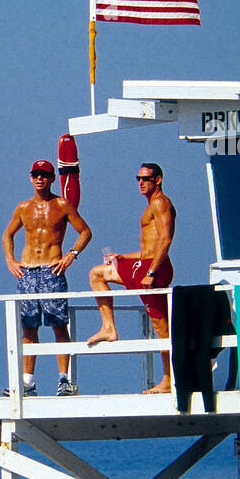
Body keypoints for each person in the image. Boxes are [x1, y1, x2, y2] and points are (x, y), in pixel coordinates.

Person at [3, 159, 92, 396]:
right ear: (31, 178)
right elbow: (8, 234)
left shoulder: (62, 205)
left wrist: (71, 255)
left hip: (52, 271)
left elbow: (85, 231)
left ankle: (64, 379)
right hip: (28, 271)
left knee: (58, 325)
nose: (40, 178)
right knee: (29, 328)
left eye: (45, 174)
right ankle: (28, 382)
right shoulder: (23, 207)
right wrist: (10, 260)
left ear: (52, 178)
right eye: (36, 174)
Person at [87, 162, 177, 394]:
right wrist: (123, 257)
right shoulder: (152, 205)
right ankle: (108, 327)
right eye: (138, 178)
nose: (140, 182)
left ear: (157, 180)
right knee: (97, 273)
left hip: (153, 269)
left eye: (145, 178)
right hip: (146, 264)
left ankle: (168, 380)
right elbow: (149, 248)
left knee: (161, 327)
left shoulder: (160, 202)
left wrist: (151, 273)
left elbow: (165, 241)